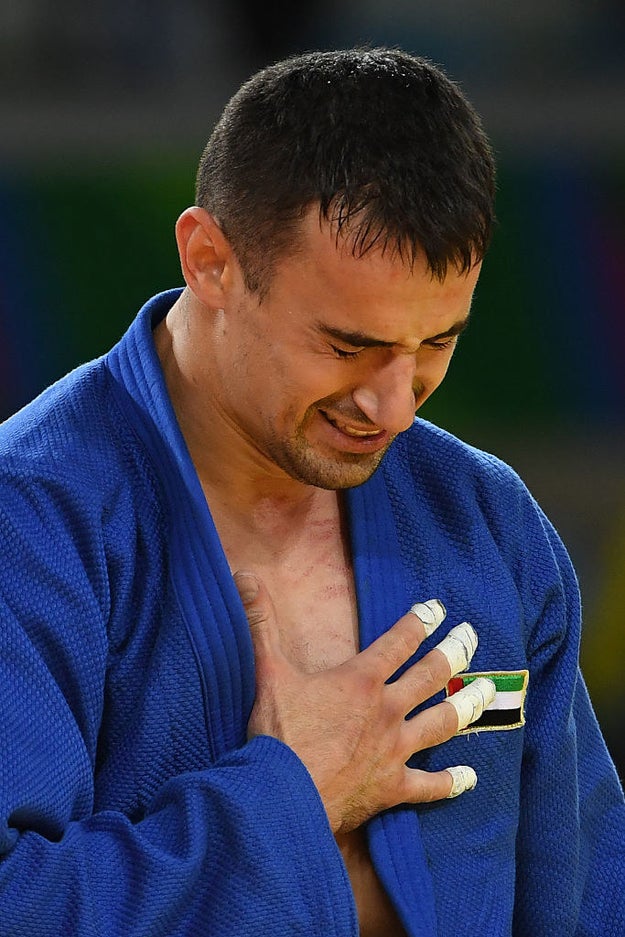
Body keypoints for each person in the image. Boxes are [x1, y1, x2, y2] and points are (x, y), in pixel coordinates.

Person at [0, 47, 623, 937]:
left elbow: (588, 897)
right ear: (209, 259)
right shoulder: (29, 524)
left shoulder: (485, 519)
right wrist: (287, 796)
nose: (394, 407)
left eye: (436, 344)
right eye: (346, 346)